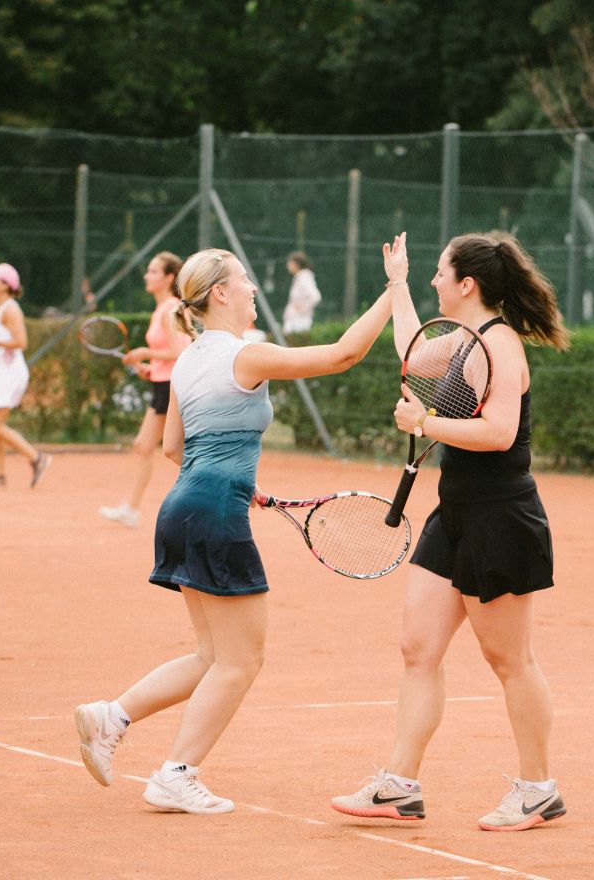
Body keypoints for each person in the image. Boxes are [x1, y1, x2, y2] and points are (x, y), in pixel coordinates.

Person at [73, 243, 399, 815]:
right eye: (245, 280)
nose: (254, 289)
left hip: (182, 507)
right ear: (220, 293)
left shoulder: (189, 360)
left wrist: (238, 486)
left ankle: (112, 716)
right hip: (215, 512)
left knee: (211, 654)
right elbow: (344, 354)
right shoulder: (243, 353)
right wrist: (395, 290)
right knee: (242, 660)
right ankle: (176, 774)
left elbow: (175, 448)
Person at [330, 231, 571, 832]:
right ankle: (399, 784)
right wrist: (398, 282)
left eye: (440, 273)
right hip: (454, 512)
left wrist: (425, 418)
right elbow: (413, 352)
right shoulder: (464, 342)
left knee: (510, 660)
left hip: (501, 517)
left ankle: (539, 788)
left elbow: (498, 433)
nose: (435, 281)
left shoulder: (502, 346)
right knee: (418, 649)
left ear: (468, 285)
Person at [99, 252, 193, 529]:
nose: (146, 275)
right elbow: (169, 354)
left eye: (153, 271)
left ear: (169, 278)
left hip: (172, 386)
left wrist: (144, 352)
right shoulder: (162, 308)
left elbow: (180, 350)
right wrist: (148, 366)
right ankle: (131, 509)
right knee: (146, 446)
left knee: (175, 450)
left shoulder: (170, 308)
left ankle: (212, 490)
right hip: (163, 382)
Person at [0, 263, 51, 489]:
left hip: (10, 373)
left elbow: (21, 343)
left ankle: (37, 457)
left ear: (6, 285)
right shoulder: (1, 310)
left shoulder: (11, 309)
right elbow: (1, 346)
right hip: (2, 372)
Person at [281, 251, 321, 334]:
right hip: (294, 321)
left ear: (295, 264)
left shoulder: (304, 277)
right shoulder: (299, 277)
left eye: (289, 263)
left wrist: (302, 309)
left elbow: (315, 297)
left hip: (299, 322)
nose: (288, 265)